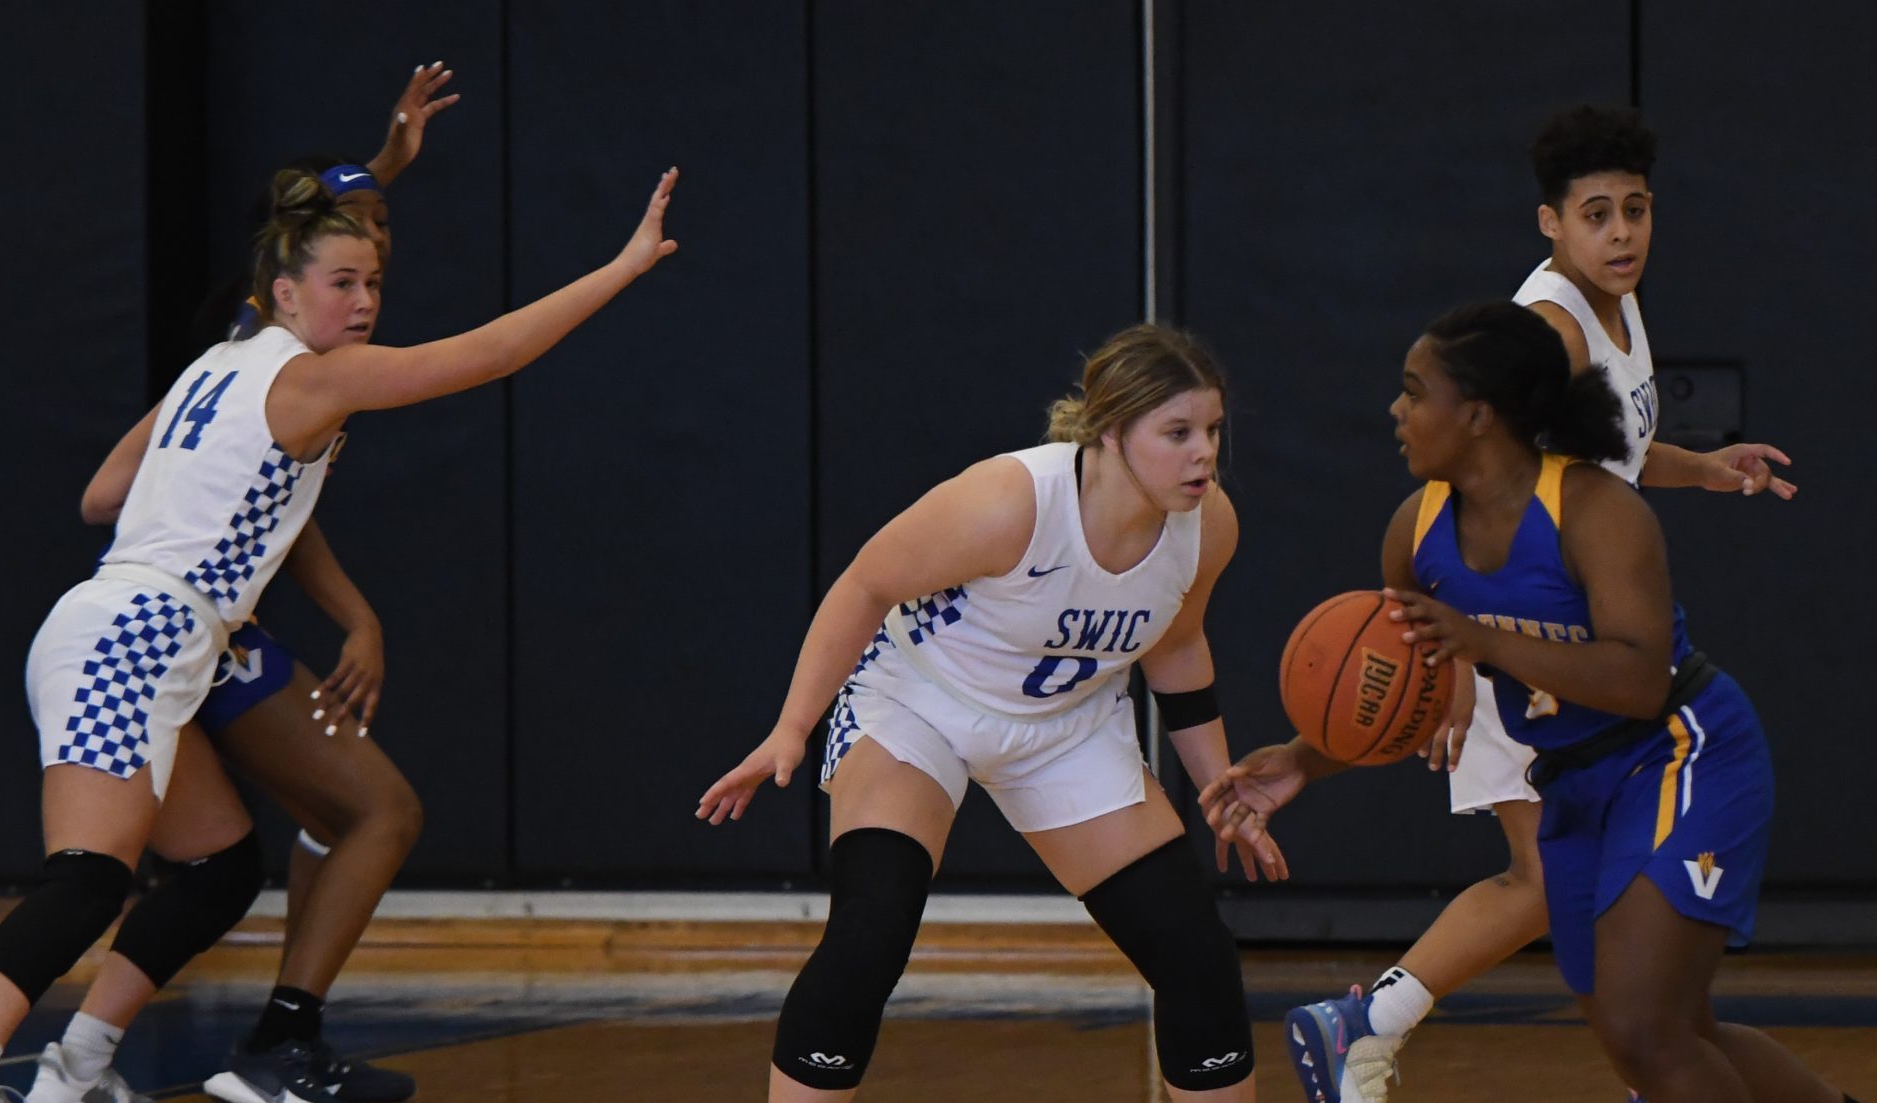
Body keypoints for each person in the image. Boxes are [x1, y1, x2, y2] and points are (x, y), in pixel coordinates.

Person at [0, 161, 680, 1103]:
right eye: (342, 284)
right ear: (285, 292)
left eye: (374, 284)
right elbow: (492, 352)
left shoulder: (217, 363)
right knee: (86, 880)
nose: (363, 302)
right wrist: (625, 265)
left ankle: (73, 1070)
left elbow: (103, 493)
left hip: (141, 624)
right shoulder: (318, 378)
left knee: (215, 864)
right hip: (141, 632)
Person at [1204, 302, 1853, 1103]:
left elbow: (1641, 680)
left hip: (1683, 751)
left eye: (1414, 393)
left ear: (1476, 415)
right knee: (1657, 1033)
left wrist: (1484, 639)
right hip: (1573, 781)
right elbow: (1405, 698)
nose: (1396, 412)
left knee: (1649, 1027)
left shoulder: (1595, 511)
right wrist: (1303, 758)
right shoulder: (1415, 532)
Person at [1283, 105, 1796, 1103]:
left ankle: (1383, 1022)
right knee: (1558, 904)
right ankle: (1370, 1020)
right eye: (1596, 214)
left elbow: (1614, 450)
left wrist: (1707, 469)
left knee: (1632, 987)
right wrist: (1454, 674)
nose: (1620, 233)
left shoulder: (1614, 303)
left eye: (1635, 211)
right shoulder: (1549, 323)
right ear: (1548, 223)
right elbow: (1515, 483)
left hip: (1556, 639)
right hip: (1523, 640)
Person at [698, 323, 1284, 1101]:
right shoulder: (1010, 502)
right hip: (920, 701)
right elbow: (864, 585)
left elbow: (1175, 648)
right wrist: (792, 727)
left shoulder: (1209, 527)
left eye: (1211, 429)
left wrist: (1220, 788)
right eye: (1177, 432)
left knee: (1196, 955)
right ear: (1111, 430)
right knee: (869, 934)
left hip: (1064, 727)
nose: (1204, 453)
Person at [23, 63, 461, 1103]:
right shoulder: (269, 346)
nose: (370, 266)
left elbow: (203, 501)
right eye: (350, 252)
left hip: (175, 615)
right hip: (188, 628)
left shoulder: (261, 338)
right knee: (378, 810)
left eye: (379, 249)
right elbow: (143, 495)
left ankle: (90, 1056)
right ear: (292, 273)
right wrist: (386, 159)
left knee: (248, 856)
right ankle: (274, 1042)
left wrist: (388, 163)